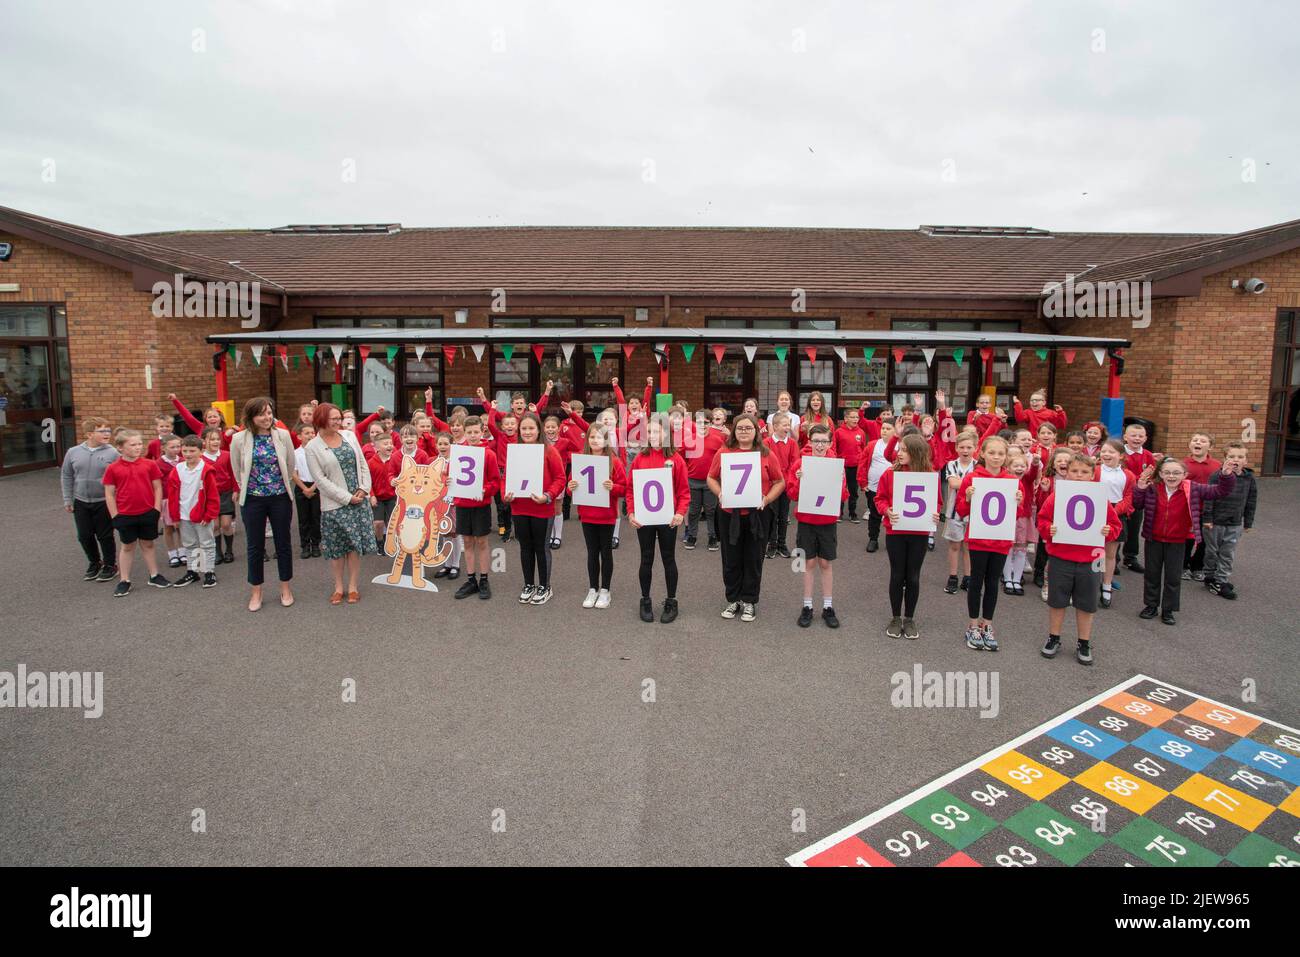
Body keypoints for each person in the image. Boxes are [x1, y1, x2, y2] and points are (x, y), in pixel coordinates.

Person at [1037, 453, 1122, 665]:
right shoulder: (1057, 496)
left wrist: (1108, 531)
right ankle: (1054, 637)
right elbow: (1042, 520)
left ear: (1093, 475)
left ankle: (1084, 642)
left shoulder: (1100, 499)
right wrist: (1049, 529)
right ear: (1067, 473)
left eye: (1084, 472)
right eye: (1074, 471)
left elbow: (1115, 526)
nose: (1079, 475)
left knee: (1087, 603)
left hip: (1092, 558)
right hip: (1061, 556)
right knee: (1057, 600)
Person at [1131, 456, 1235, 625]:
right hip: (1153, 539)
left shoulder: (1192, 488)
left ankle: (1168, 609)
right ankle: (1151, 606)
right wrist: (1140, 488)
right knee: (1152, 575)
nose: (1171, 476)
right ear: (1161, 474)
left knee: (1173, 577)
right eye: (1167, 472)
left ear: (1184, 474)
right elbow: (1137, 505)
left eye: (1176, 473)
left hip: (1178, 541)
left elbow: (1220, 491)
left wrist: (1226, 475)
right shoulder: (1152, 488)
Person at [708, 413, 786, 623]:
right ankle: (733, 599)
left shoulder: (766, 453)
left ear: (755, 431)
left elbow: (779, 481)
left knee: (753, 559)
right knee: (731, 559)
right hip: (729, 515)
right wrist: (720, 493)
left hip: (757, 516)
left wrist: (767, 499)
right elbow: (711, 477)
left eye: (748, 428)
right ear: (733, 431)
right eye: (740, 428)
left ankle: (749, 600)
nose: (744, 431)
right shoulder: (724, 452)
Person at [955, 435, 1025, 651]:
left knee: (993, 583)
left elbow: (1017, 514)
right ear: (983, 454)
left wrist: (1018, 502)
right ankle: (973, 625)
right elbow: (960, 510)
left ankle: (987, 624)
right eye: (992, 452)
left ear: (1006, 457)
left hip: (1001, 541)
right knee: (976, 581)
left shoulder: (1013, 481)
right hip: (978, 539)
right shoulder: (972, 478)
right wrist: (968, 498)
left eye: (1001, 453)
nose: (996, 457)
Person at [230, 396, 297, 611]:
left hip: (279, 497)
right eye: (261, 414)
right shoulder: (239, 439)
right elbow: (237, 468)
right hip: (252, 499)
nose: (267, 417)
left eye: (269, 412)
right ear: (251, 417)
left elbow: (290, 463)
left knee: (283, 543)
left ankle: (285, 587)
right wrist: (247, 487)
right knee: (255, 546)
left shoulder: (283, 435)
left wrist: (280, 485)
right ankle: (256, 591)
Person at [305, 402, 374, 605]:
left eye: (339, 418)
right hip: (335, 505)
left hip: (358, 500)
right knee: (336, 549)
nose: (338, 422)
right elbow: (320, 480)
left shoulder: (349, 436)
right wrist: (346, 497)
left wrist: (364, 488)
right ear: (321, 419)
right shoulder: (312, 447)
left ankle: (352, 586)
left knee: (353, 546)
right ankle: (338, 587)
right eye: (333, 418)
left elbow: (362, 464)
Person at [875, 433, 942, 639]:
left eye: (904, 450)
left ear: (916, 452)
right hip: (895, 531)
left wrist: (935, 514)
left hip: (919, 533)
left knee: (913, 576)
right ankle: (896, 617)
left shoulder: (930, 475)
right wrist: (886, 510)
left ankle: (909, 618)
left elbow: (937, 502)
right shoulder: (890, 473)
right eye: (899, 449)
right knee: (897, 575)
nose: (899, 453)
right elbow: (879, 499)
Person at [628, 414, 689, 623]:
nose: (653, 435)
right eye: (649, 432)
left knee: (668, 558)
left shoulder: (676, 459)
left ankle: (671, 600)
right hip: (644, 518)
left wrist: (680, 512)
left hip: (668, 518)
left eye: (657, 431)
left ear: (667, 434)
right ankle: (645, 599)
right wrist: (631, 512)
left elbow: (683, 491)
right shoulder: (639, 458)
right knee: (646, 558)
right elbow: (631, 489)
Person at [786, 423, 848, 628]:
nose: (820, 445)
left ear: (830, 443)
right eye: (816, 441)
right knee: (808, 563)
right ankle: (807, 606)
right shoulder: (800, 464)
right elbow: (792, 494)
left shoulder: (836, 465)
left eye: (824, 441)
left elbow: (843, 497)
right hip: (806, 521)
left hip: (827, 522)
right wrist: (798, 481)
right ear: (810, 442)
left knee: (825, 563)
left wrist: (840, 482)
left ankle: (828, 606)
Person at [502, 412, 565, 606]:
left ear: (539, 430)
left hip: (542, 508)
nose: (527, 432)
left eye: (531, 428)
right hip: (519, 508)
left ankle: (545, 586)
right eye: (524, 428)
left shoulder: (549, 451)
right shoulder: (514, 451)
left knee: (541, 547)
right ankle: (529, 584)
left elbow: (560, 478)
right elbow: (506, 477)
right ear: (519, 431)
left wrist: (548, 496)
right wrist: (505, 494)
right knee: (525, 547)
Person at [101, 429, 170, 596]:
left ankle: (154, 575)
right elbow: (109, 494)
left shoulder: (150, 464)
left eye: (139, 444)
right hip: (125, 514)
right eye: (132, 445)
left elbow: (158, 487)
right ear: (120, 447)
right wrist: (115, 515)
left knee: (148, 544)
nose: (138, 447)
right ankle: (124, 580)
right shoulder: (113, 468)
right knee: (127, 546)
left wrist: (156, 509)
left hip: (148, 512)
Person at [568, 423, 627, 609]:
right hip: (587, 515)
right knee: (592, 552)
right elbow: (571, 487)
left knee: (606, 552)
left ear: (606, 440)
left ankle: (605, 590)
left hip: (607, 515)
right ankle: (593, 588)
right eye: (592, 437)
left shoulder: (614, 461)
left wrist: (613, 487)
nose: (595, 440)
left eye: (599, 437)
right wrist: (571, 487)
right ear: (587, 439)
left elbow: (624, 488)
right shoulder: (581, 459)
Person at [62, 417, 120, 582]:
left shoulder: (113, 453)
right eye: (102, 431)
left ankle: (110, 565)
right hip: (81, 501)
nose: (107, 434)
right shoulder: (73, 452)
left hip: (103, 501)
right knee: (84, 535)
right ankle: (94, 562)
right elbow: (67, 475)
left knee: (105, 535)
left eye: (108, 430)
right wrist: (68, 499)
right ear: (89, 434)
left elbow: (120, 478)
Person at [451, 416, 500, 600]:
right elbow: (450, 476)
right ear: (464, 432)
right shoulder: (458, 452)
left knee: (482, 542)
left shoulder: (489, 454)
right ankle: (471, 579)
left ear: (482, 432)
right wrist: (448, 481)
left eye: (476, 432)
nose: (472, 435)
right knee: (467, 541)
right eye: (469, 432)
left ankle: (484, 579)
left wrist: (485, 490)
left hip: (481, 504)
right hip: (463, 504)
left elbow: (495, 481)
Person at [166, 435, 220, 588]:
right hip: (184, 514)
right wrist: (175, 516)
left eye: (192, 451)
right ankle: (194, 571)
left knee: (206, 543)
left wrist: (209, 515)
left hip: (201, 515)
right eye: (185, 451)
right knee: (190, 544)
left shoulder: (206, 470)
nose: (188, 454)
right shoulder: (178, 469)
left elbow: (213, 495)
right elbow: (172, 494)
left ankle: (209, 572)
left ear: (201, 451)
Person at [1203, 441, 1256, 600]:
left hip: (1234, 523)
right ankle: (1210, 576)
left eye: (1240, 457)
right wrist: (1207, 518)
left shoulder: (1249, 478)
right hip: (1215, 522)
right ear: (1225, 459)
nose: (1236, 460)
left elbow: (1251, 501)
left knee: (1227, 553)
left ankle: (1221, 580)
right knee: (1212, 551)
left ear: (1245, 460)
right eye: (1232, 456)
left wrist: (1248, 522)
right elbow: (1209, 497)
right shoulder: (1217, 476)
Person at [1095, 439, 1135, 608]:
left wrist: (1114, 511)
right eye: (1104, 451)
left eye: (1111, 452)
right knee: (1095, 552)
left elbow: (1128, 497)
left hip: (1116, 514)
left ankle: (1106, 585)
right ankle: (1093, 582)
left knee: (1110, 553)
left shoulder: (1128, 475)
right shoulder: (1095, 471)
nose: (1106, 454)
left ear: (1121, 455)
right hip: (1095, 511)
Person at [941, 429, 978, 594]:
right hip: (953, 512)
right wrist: (971, 483)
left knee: (969, 547)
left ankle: (968, 577)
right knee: (955, 545)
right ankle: (953, 576)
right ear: (956, 448)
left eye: (969, 447)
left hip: (973, 513)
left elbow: (960, 483)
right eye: (962, 447)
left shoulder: (979, 465)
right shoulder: (951, 464)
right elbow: (953, 484)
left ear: (975, 448)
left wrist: (962, 482)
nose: (965, 450)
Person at [685, 407, 727, 550]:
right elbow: (682, 458)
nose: (702, 425)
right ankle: (692, 536)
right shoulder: (688, 440)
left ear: (710, 423)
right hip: (692, 480)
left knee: (711, 511)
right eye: (699, 422)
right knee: (693, 511)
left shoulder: (717, 440)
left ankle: (712, 536)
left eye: (706, 422)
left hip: (711, 482)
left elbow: (723, 459)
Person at [1181, 432, 1221, 581]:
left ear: (1210, 447)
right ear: (1190, 444)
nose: (1198, 442)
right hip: (1188, 509)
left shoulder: (1217, 466)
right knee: (1187, 539)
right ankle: (1183, 566)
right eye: (1195, 440)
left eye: (1203, 441)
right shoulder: (1183, 464)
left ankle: (1197, 566)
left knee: (1205, 540)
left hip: (1208, 510)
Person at [1119, 421, 1156, 571]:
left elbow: (1151, 475)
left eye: (1140, 436)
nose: (1137, 438)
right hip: (1120, 497)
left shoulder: (1148, 455)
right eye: (1133, 435)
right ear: (1125, 437)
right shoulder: (1119, 453)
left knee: (1134, 529)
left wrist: (1146, 479)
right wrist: (1139, 477)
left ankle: (1130, 558)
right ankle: (1113, 558)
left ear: (1145, 438)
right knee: (1118, 527)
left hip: (1138, 499)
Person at [859, 418, 897, 553]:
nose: (884, 431)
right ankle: (873, 539)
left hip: (894, 489)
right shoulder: (872, 445)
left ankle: (893, 540)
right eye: (883, 428)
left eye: (888, 428)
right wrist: (863, 482)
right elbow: (863, 464)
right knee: (874, 514)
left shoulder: (901, 445)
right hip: (874, 487)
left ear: (895, 430)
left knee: (893, 514)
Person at [202, 426, 238, 564]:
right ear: (204, 441)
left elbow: (233, 473)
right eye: (212, 439)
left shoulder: (226, 455)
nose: (216, 442)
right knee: (215, 526)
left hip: (226, 493)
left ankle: (229, 550)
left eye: (218, 439)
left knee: (226, 524)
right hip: (210, 496)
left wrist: (236, 490)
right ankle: (218, 552)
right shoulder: (201, 458)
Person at [764, 411, 798, 558]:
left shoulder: (792, 443)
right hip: (771, 486)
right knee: (772, 516)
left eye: (789, 425)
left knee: (783, 517)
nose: (788, 427)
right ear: (775, 426)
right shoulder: (766, 443)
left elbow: (794, 464)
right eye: (785, 425)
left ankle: (782, 544)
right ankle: (772, 544)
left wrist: (786, 482)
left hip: (785, 486)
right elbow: (763, 463)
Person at [367, 431, 400, 552]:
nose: (389, 446)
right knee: (378, 523)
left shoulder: (395, 460)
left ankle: (392, 543)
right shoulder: (371, 462)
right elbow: (368, 482)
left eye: (390, 443)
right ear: (377, 447)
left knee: (393, 523)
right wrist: (372, 495)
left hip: (392, 497)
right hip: (378, 498)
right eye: (385, 444)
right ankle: (379, 541)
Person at [292, 423, 321, 559]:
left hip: (316, 486)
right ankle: (305, 545)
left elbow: (322, 472)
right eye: (307, 433)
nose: (311, 435)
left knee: (316, 517)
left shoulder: (319, 452)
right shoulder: (295, 453)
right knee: (303, 518)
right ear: (299, 436)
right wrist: (305, 488)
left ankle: (315, 544)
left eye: (312, 433)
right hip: (302, 487)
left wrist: (313, 487)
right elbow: (294, 473)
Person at [834, 407, 867, 524]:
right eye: (852, 417)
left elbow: (863, 449)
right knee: (841, 490)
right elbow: (834, 448)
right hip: (842, 466)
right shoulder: (838, 432)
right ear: (846, 418)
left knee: (854, 491)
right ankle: (839, 513)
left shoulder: (861, 432)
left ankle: (853, 513)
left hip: (855, 467)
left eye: (857, 417)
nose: (855, 419)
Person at [167, 392, 234, 449]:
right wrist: (175, 400)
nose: (212, 418)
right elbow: (188, 417)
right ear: (206, 420)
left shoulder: (227, 431)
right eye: (209, 417)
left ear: (220, 419)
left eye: (215, 416)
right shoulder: (201, 427)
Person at [157, 433, 184, 567]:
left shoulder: (183, 461)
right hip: (167, 499)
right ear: (163, 448)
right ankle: (172, 554)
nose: (176, 449)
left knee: (181, 527)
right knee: (168, 528)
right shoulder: (158, 463)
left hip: (181, 498)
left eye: (178, 446)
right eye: (172, 447)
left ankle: (182, 551)